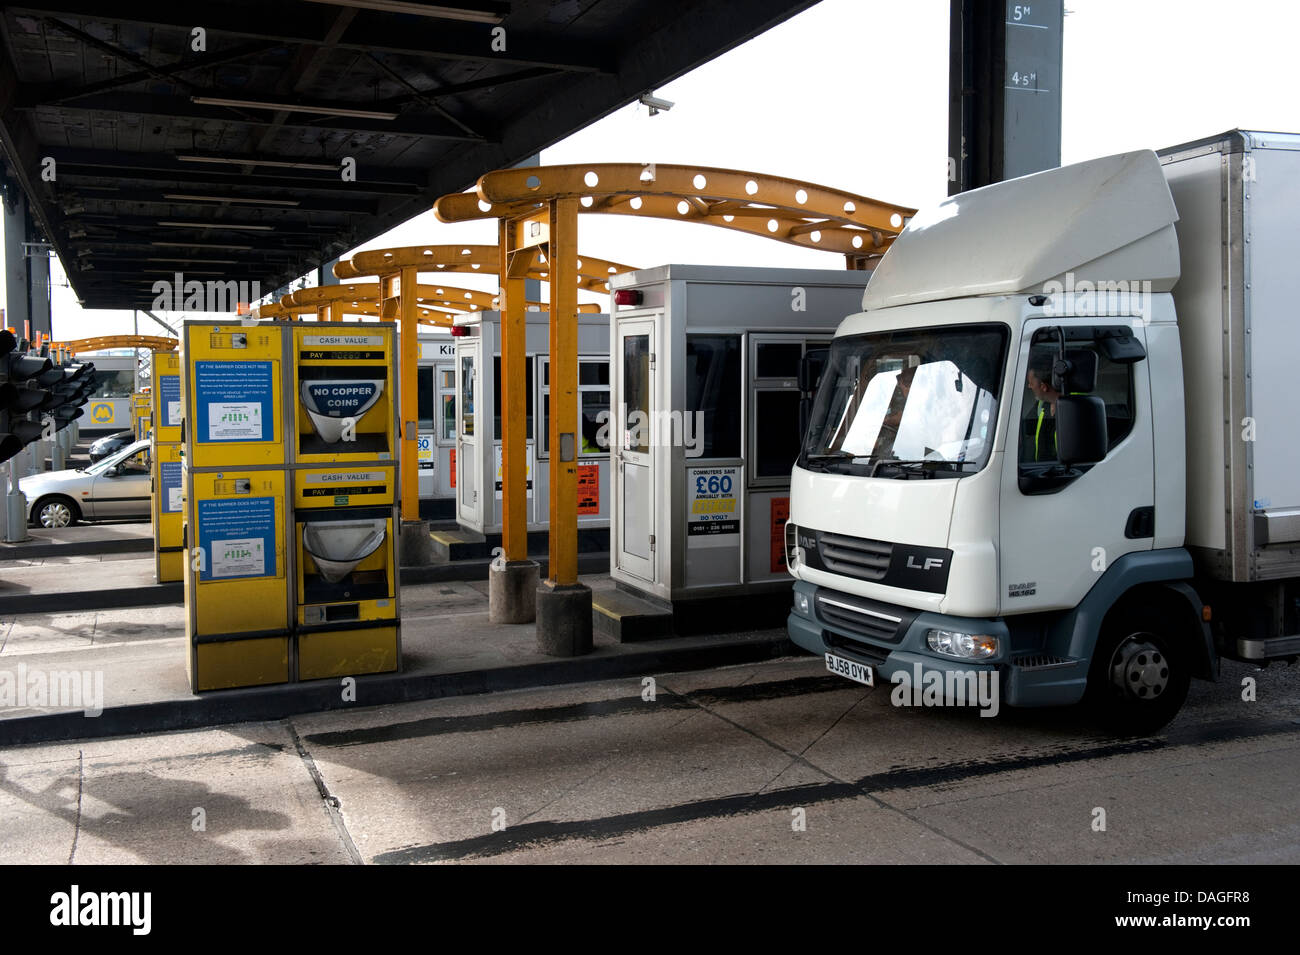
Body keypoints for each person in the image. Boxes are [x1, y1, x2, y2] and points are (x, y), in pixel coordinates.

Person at [1024, 351, 1061, 462]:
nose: (1029, 386)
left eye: (1031, 383)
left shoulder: (1077, 408)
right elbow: (1027, 428)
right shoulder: (1042, 404)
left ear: (1043, 387)